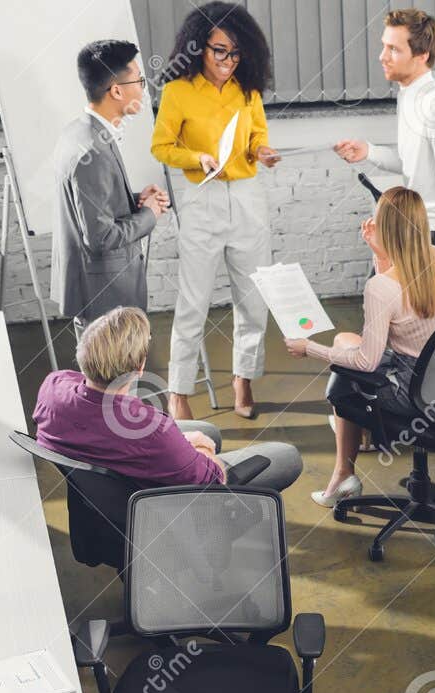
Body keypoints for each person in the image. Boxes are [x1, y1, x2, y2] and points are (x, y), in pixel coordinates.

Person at [151, 2, 281, 421]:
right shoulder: (178, 91)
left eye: (236, 53)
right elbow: (161, 146)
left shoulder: (248, 90)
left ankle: (244, 378)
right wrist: (197, 157)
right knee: (194, 300)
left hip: (246, 197)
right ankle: (178, 391)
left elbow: (257, 135)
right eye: (219, 51)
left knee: (252, 298)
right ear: (198, 47)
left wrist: (262, 151)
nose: (228, 61)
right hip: (201, 200)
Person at [286, 187, 435, 508]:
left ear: (385, 226)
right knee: (343, 339)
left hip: (409, 390)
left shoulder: (381, 288)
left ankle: (342, 474)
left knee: (344, 376)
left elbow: (366, 361)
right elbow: (398, 305)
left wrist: (308, 348)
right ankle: (352, 442)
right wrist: (380, 256)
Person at [33, 306, 302, 492]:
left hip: (107, 495)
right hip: (158, 502)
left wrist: (185, 441)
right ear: (139, 368)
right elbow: (212, 478)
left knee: (206, 430)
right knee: (287, 455)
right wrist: (202, 449)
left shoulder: (52, 386)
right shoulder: (152, 431)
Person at [332, 9, 435, 292]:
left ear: (422, 55)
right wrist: (368, 151)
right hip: (417, 228)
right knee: (391, 310)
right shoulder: (408, 95)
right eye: (384, 46)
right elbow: (411, 164)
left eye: (393, 49)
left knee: (419, 323)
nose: (382, 56)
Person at [51, 40, 168, 329]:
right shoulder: (92, 149)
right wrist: (149, 214)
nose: (144, 87)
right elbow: (100, 237)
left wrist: (136, 198)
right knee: (117, 375)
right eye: (139, 80)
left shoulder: (78, 132)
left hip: (98, 289)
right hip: (106, 295)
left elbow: (94, 202)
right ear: (116, 90)